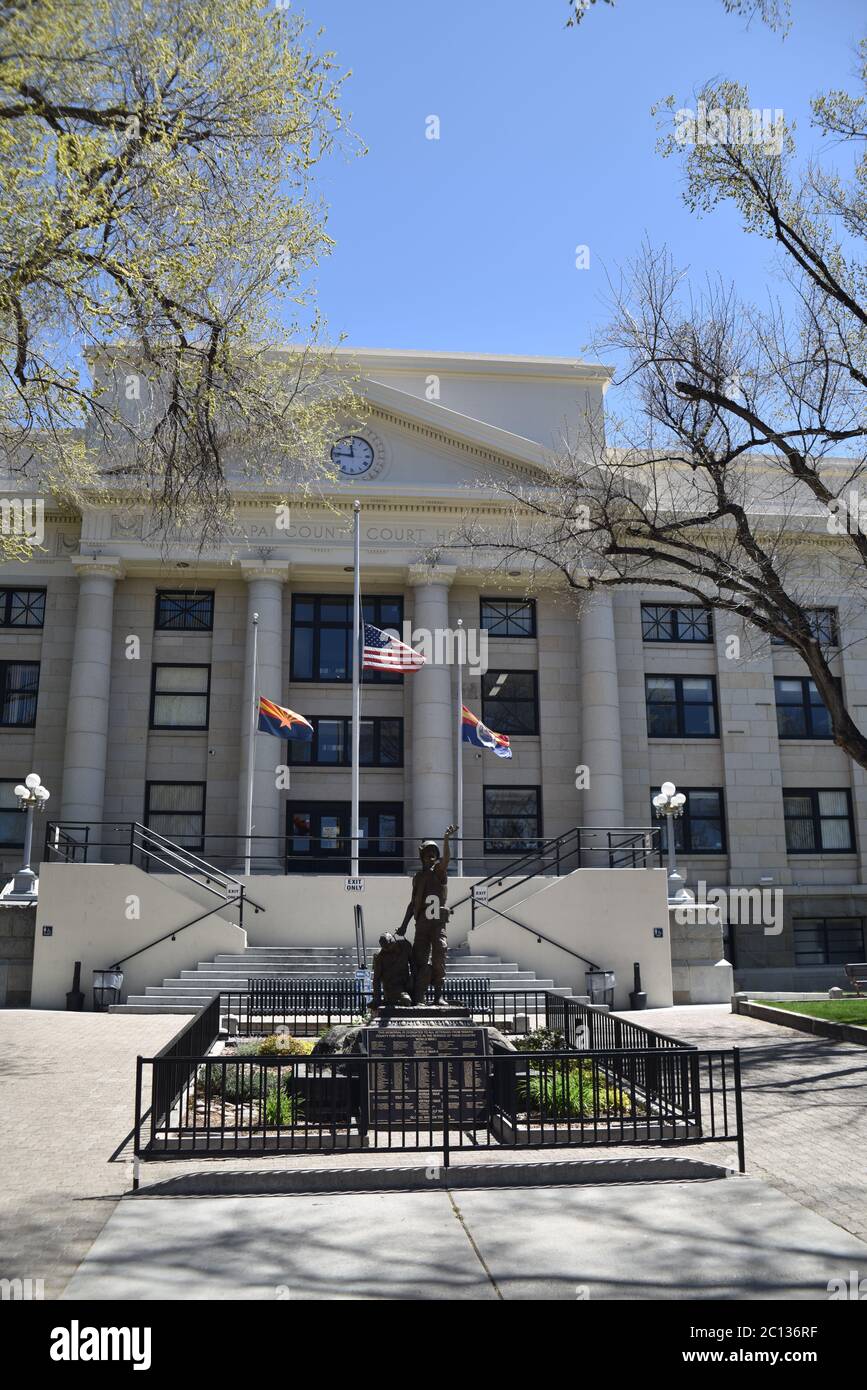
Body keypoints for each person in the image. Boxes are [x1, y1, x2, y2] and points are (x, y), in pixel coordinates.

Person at [397, 824, 457, 1005]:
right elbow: (413, 903)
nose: (431, 856)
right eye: (427, 853)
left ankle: (439, 995)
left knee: (439, 956)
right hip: (422, 924)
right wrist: (404, 925)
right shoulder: (418, 877)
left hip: (437, 924)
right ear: (422, 856)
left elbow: (447, 859)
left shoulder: (438, 872)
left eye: (434, 853)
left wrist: (446, 839)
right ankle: (419, 996)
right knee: (419, 960)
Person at [370, 932, 413, 1007]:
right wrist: (377, 998)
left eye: (390, 946)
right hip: (392, 988)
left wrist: (412, 980)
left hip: (407, 983)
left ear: (393, 940)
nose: (389, 950)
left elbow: (414, 965)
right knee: (405, 999)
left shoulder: (405, 946)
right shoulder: (379, 956)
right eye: (386, 949)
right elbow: (376, 979)